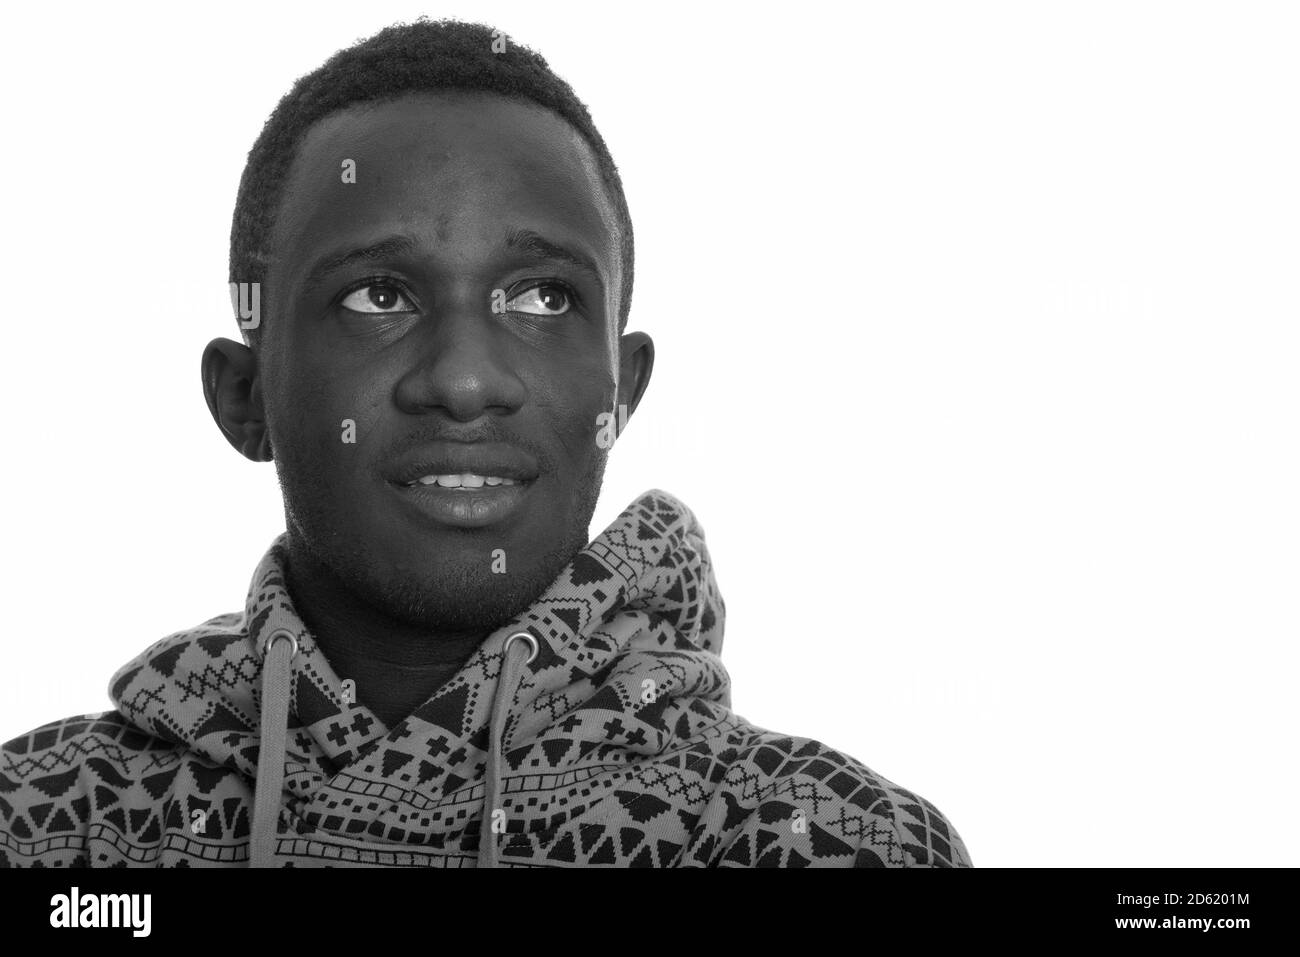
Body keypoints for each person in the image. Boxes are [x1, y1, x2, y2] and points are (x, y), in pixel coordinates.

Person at [0, 18, 971, 868]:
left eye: (544, 297)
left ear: (620, 389)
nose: (463, 380)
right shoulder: (40, 826)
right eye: (377, 295)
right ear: (246, 396)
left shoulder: (831, 842)